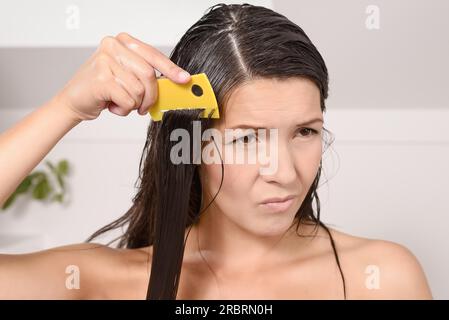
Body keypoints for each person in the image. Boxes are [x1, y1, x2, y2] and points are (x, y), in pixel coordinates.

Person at [0, 3, 432, 300]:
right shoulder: (105, 282)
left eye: (304, 131)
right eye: (246, 139)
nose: (283, 172)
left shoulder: (381, 277)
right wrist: (66, 108)